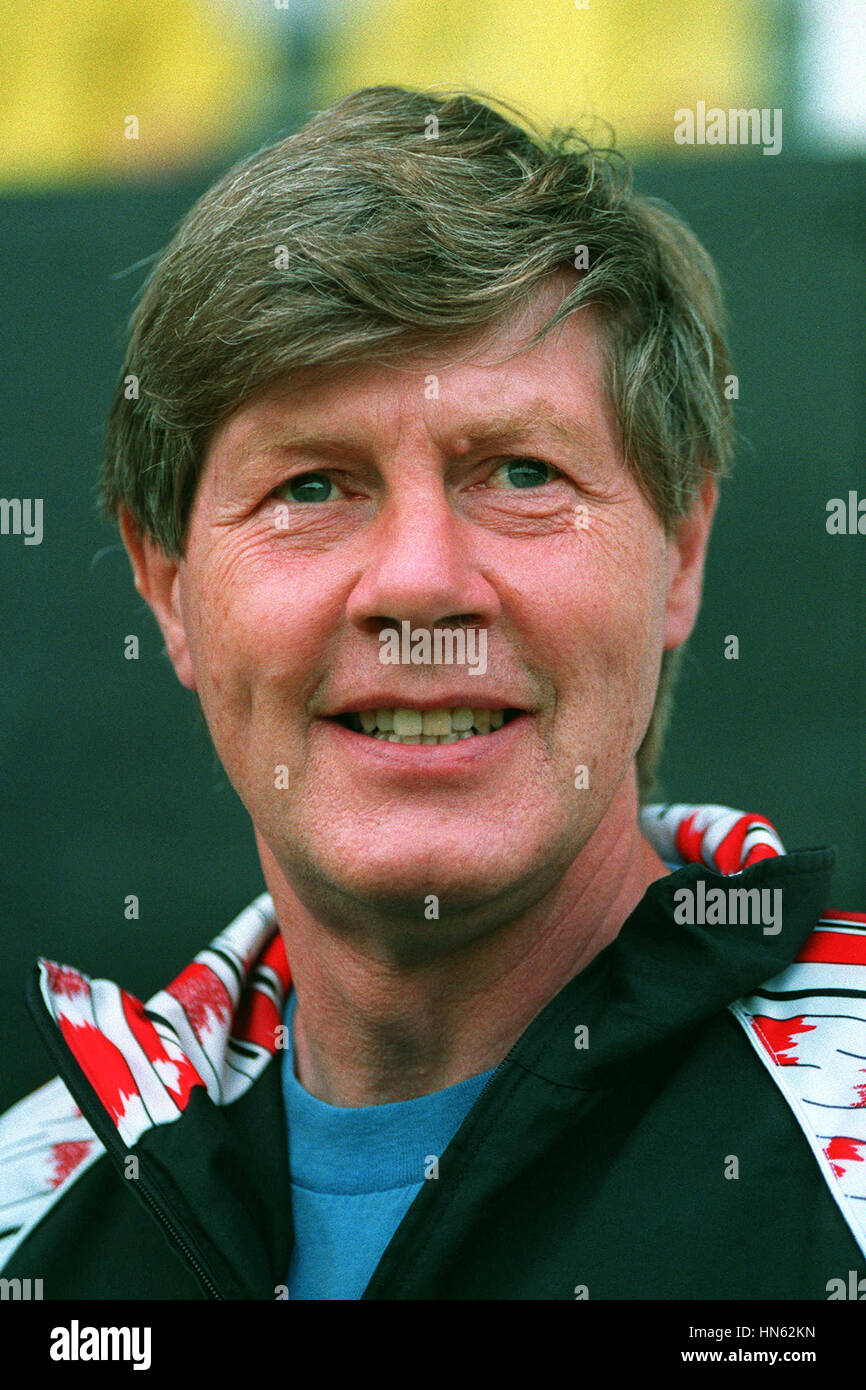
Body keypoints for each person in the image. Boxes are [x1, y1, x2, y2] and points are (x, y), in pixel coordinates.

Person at [1, 86, 864, 1302]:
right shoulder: (25, 1218)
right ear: (168, 583)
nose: (418, 583)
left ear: (679, 552)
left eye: (520, 471)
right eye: (311, 485)